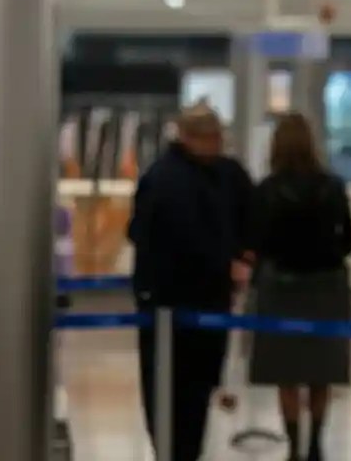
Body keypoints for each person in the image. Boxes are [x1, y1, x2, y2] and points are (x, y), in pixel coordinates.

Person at [129, 104, 253, 461]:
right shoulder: (167, 178)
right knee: (171, 395)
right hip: (172, 303)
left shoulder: (223, 174)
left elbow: (249, 218)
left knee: (192, 396)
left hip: (204, 304)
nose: (216, 144)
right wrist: (225, 263)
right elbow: (166, 236)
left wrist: (243, 256)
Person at [242, 113, 351, 461]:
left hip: (281, 287)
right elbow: (350, 240)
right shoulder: (332, 186)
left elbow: (256, 241)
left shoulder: (267, 190)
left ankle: (293, 446)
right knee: (321, 371)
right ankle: (316, 444)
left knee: (286, 373)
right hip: (327, 287)